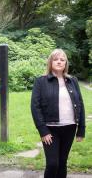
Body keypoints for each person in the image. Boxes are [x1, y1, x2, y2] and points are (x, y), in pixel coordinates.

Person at [31, 49, 85, 178]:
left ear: (65, 63)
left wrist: (81, 129)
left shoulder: (73, 81)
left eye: (62, 59)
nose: (59, 62)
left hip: (70, 127)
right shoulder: (41, 81)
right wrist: (43, 130)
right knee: (52, 164)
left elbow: (80, 104)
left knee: (62, 163)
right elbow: (35, 106)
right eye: (56, 59)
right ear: (50, 62)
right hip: (50, 129)